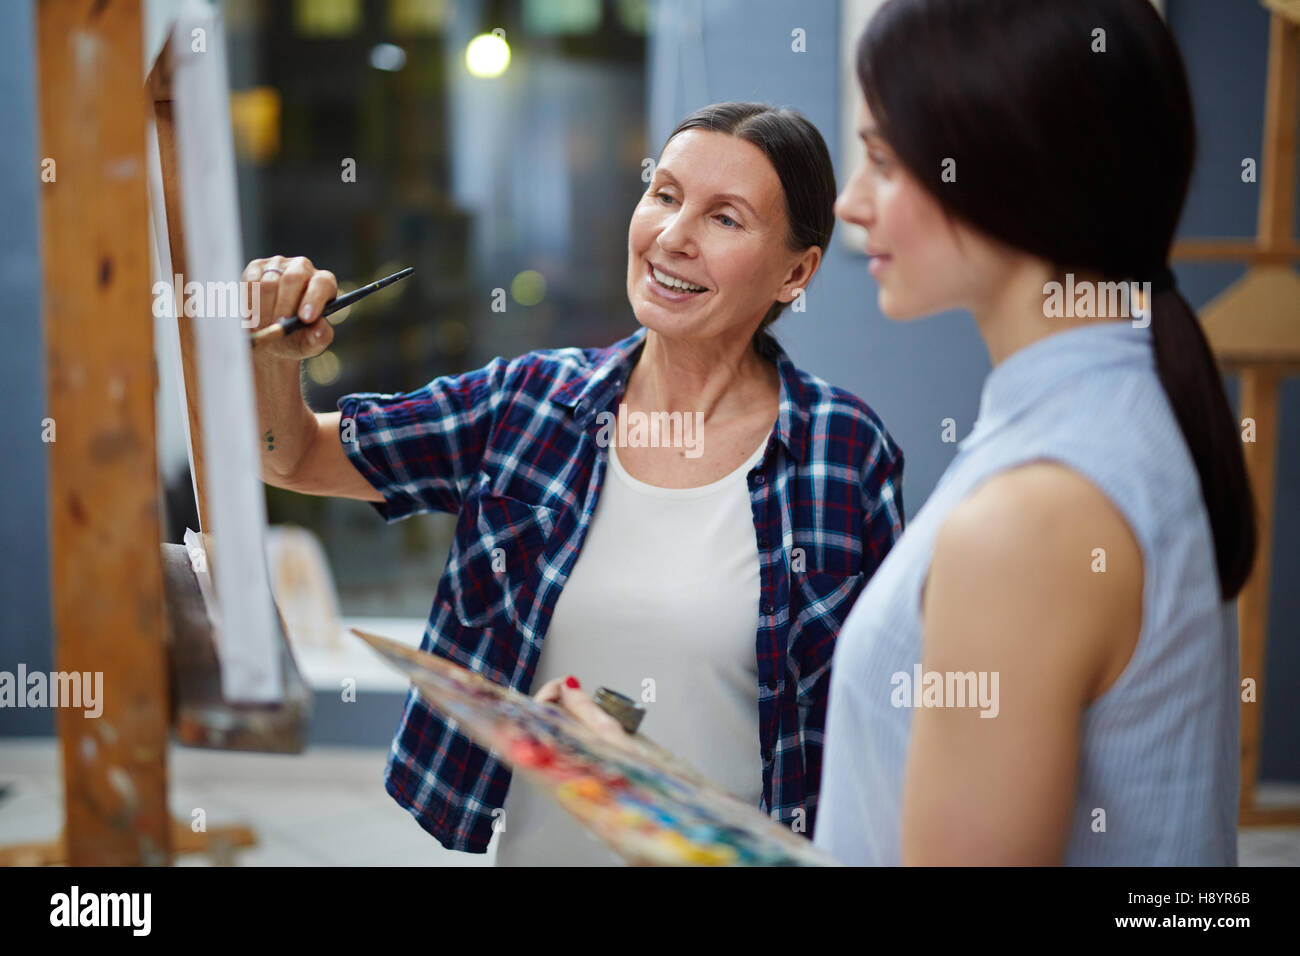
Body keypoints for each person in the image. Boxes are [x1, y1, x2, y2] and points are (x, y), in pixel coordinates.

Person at [249, 102, 905, 864]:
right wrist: (271, 356)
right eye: (664, 194)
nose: (672, 236)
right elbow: (288, 457)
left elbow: (885, 726)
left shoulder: (844, 451)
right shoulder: (527, 403)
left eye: (724, 219)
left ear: (797, 272)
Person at [814, 0, 1255, 865]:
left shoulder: (1035, 515)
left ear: (1011, 167)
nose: (848, 202)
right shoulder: (1113, 417)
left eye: (883, 161)